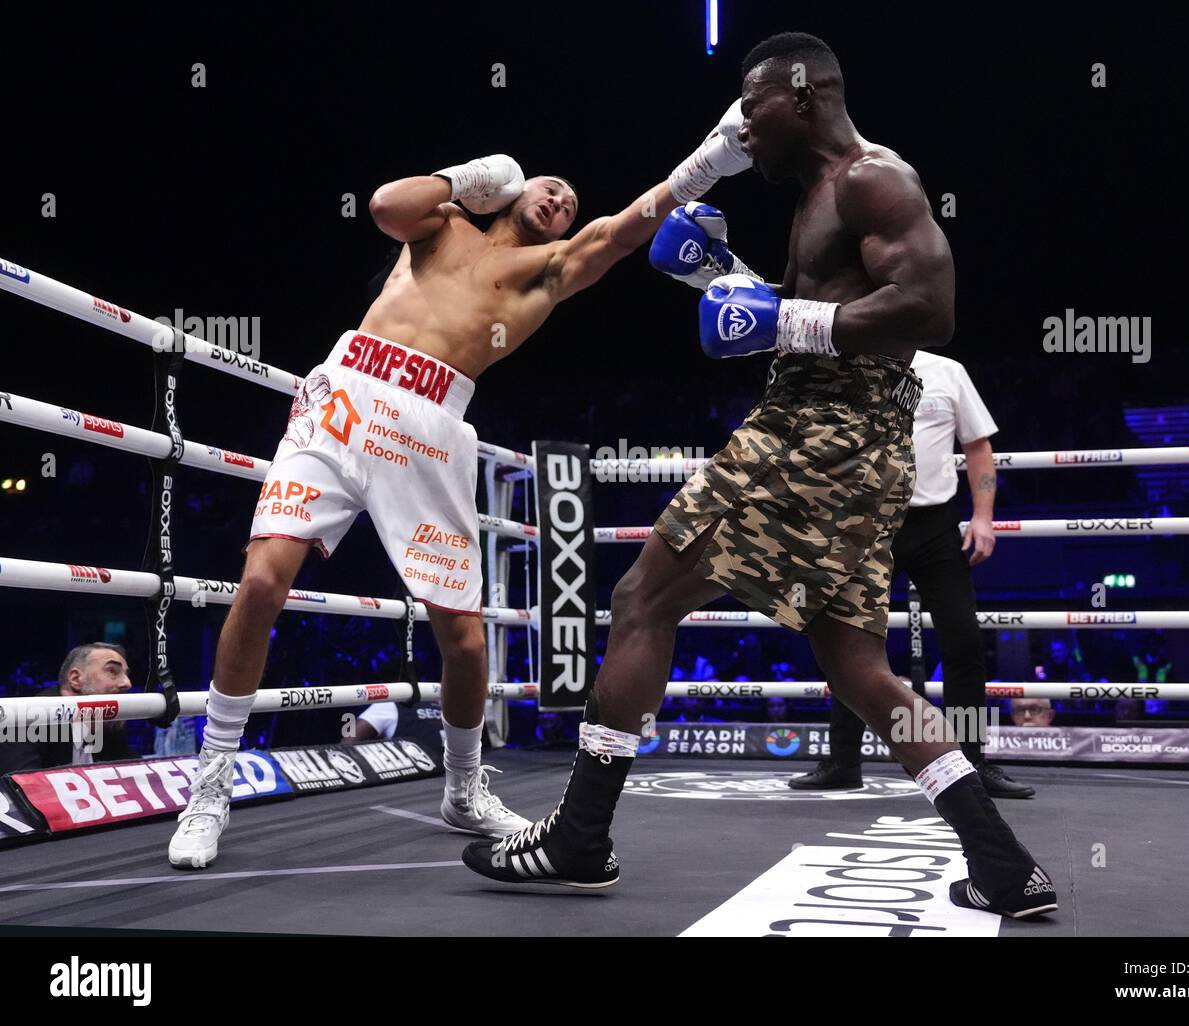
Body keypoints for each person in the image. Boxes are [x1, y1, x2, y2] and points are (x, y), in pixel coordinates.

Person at [463, 32, 1056, 918]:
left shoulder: (870, 178)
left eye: (754, 103)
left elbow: (930, 308)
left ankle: (581, 837)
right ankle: (1003, 864)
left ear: (804, 92)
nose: (743, 124)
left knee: (641, 600)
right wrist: (740, 285)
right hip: (856, 441)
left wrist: (791, 325)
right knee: (856, 663)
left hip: (819, 430)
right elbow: (814, 305)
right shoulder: (819, 195)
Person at [167, 110, 754, 869]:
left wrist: (710, 159)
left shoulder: (549, 273)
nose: (562, 200)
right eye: (551, 187)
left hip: (433, 425)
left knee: (465, 637)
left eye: (571, 201)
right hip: (345, 397)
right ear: (510, 190)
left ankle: (464, 787)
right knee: (261, 580)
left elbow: (625, 227)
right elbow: (384, 206)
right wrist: (463, 177)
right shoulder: (441, 226)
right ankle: (209, 788)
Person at [789, 349, 1036, 798]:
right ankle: (843, 760)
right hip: (866, 521)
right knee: (849, 641)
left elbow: (977, 446)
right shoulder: (850, 366)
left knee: (963, 641)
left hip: (935, 525)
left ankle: (971, 762)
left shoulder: (948, 371)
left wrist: (984, 517)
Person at [0, 643, 135, 774]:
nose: (127, 683)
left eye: (126, 674)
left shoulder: (108, 724)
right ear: (76, 679)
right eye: (112, 671)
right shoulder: (29, 721)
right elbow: (21, 788)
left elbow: (131, 775)